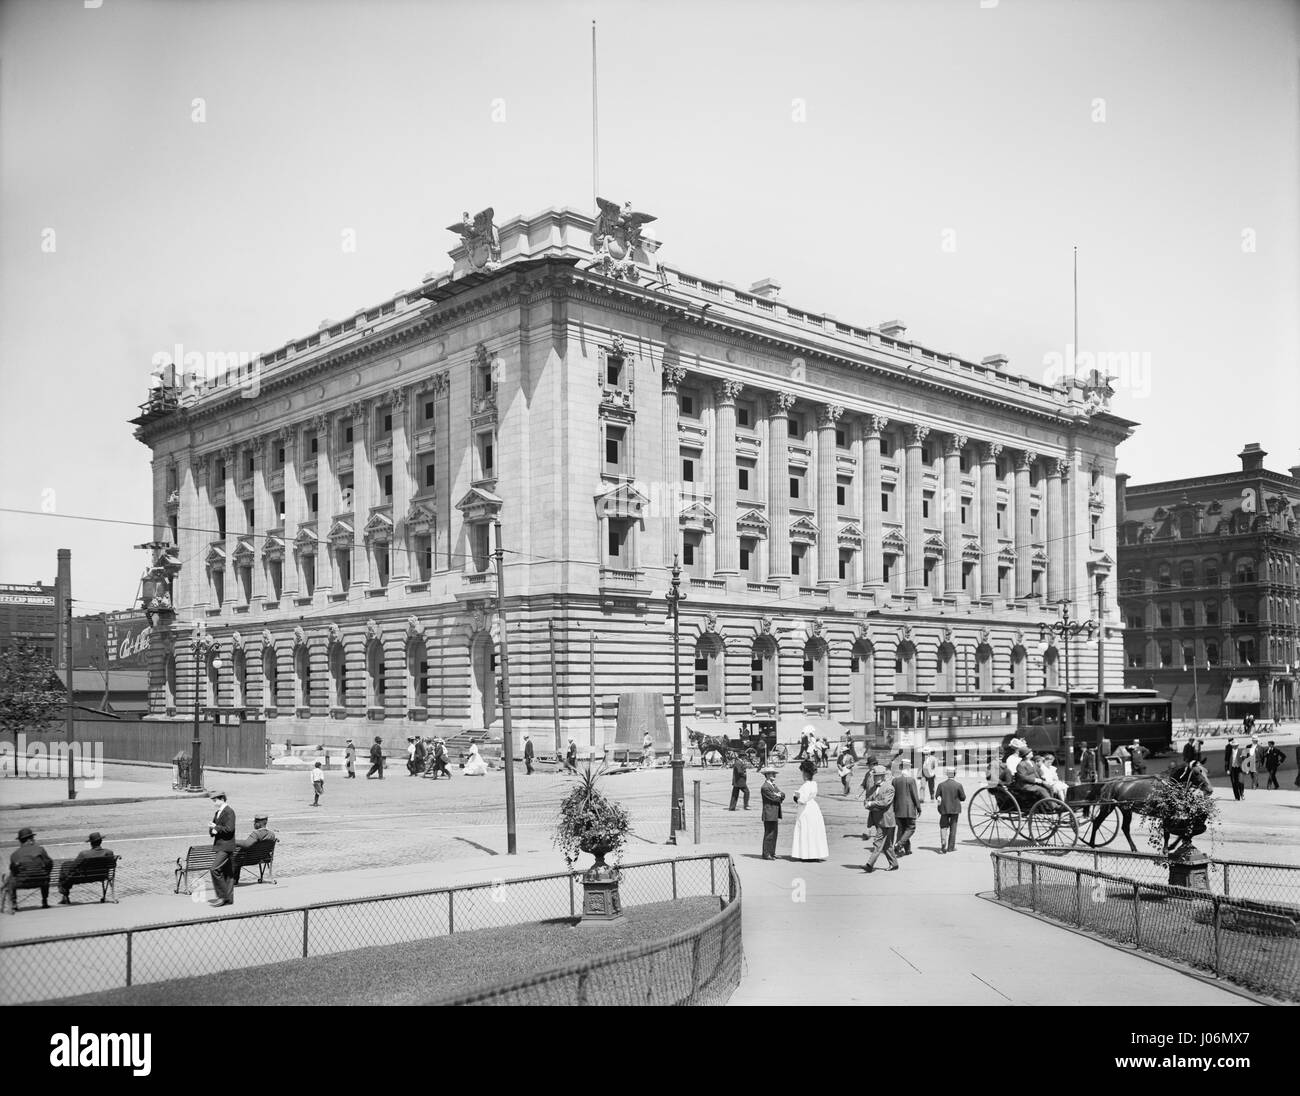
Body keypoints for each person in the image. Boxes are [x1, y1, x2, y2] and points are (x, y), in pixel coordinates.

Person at [57, 832, 116, 904]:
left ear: (91, 843)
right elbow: (112, 866)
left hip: (82, 877)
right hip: (101, 876)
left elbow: (73, 868)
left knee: (66, 870)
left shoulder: (84, 854)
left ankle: (65, 895)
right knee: (67, 870)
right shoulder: (109, 852)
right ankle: (65, 894)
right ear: (101, 841)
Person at [5, 827, 53, 911]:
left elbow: (14, 871)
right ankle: (44, 901)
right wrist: (46, 873)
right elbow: (49, 863)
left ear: (20, 841)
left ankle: (14, 903)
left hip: (22, 882)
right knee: (44, 874)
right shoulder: (40, 849)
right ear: (30, 839)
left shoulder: (14, 854)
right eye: (33, 838)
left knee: (9, 879)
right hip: (42, 880)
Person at [791, 759, 829, 861]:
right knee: (813, 830)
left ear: (806, 773)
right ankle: (814, 853)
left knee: (806, 829)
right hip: (813, 808)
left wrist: (796, 797)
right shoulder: (814, 784)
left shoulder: (806, 785)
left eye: (803, 772)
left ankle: (807, 854)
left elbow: (802, 800)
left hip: (806, 809)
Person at [863, 765, 898, 873]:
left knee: (878, 842)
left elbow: (885, 803)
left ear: (883, 776)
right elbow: (867, 799)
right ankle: (894, 864)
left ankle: (869, 864)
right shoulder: (874, 788)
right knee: (886, 845)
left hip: (886, 821)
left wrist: (871, 803)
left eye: (877, 776)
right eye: (874, 776)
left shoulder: (889, 788)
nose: (875, 778)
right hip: (877, 819)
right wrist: (866, 803)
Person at [206, 792, 237, 908]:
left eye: (215, 800)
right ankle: (229, 899)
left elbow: (230, 829)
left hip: (226, 846)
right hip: (221, 845)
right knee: (228, 874)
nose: (214, 803)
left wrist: (216, 828)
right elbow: (216, 828)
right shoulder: (218, 812)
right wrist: (212, 830)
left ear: (222, 799)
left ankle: (222, 897)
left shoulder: (229, 811)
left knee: (214, 869)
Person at [233, 814, 277, 884]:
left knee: (236, 857)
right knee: (239, 855)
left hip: (250, 860)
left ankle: (233, 880)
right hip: (263, 858)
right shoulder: (272, 834)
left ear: (259, 824)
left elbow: (246, 844)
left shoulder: (256, 834)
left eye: (255, 822)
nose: (254, 824)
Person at [892, 760, 921, 856]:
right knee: (911, 828)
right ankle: (899, 845)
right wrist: (919, 807)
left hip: (898, 809)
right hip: (909, 809)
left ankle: (906, 849)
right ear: (908, 768)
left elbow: (893, 796)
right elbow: (915, 795)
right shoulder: (911, 780)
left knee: (902, 829)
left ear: (900, 767)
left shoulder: (895, 780)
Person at [935, 767, 966, 854]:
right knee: (953, 829)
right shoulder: (958, 785)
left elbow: (937, 796)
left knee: (943, 826)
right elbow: (963, 797)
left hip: (944, 809)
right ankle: (950, 847)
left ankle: (943, 842)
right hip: (955, 809)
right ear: (954, 774)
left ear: (947, 774)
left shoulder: (941, 785)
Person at [759, 765, 785, 860]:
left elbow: (782, 794)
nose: (774, 775)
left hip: (773, 813)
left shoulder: (773, 785)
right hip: (769, 813)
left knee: (774, 834)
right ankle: (766, 854)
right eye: (772, 773)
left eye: (774, 773)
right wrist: (778, 795)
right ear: (767, 775)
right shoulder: (765, 787)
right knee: (769, 834)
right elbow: (775, 798)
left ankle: (772, 852)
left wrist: (778, 795)